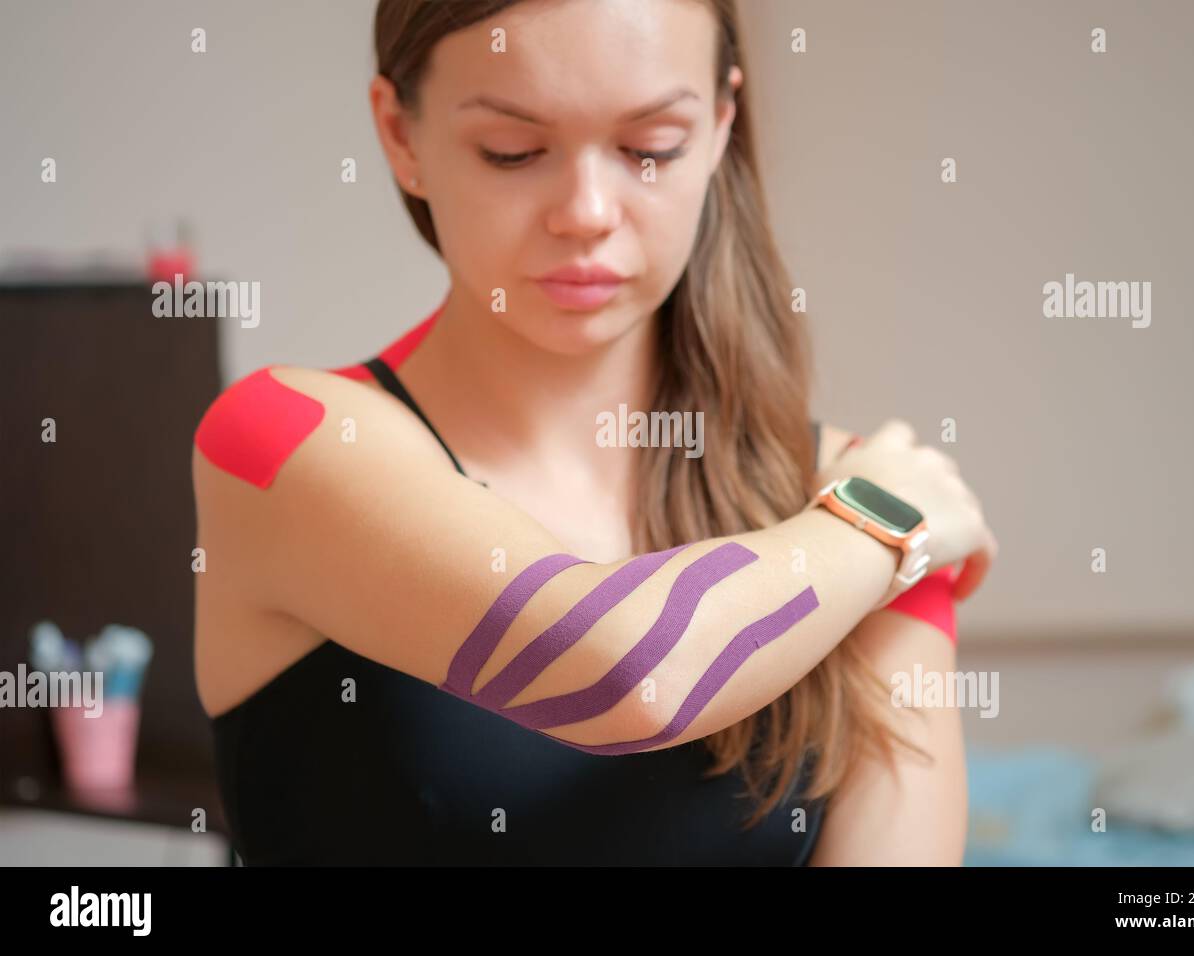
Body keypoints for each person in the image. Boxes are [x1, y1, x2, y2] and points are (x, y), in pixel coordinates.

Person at [192, 0, 998, 865]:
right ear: (400, 135)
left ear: (721, 124)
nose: (585, 212)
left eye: (651, 148)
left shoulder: (852, 495)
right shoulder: (282, 438)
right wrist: (879, 525)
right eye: (513, 150)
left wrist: (869, 522)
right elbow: (625, 675)